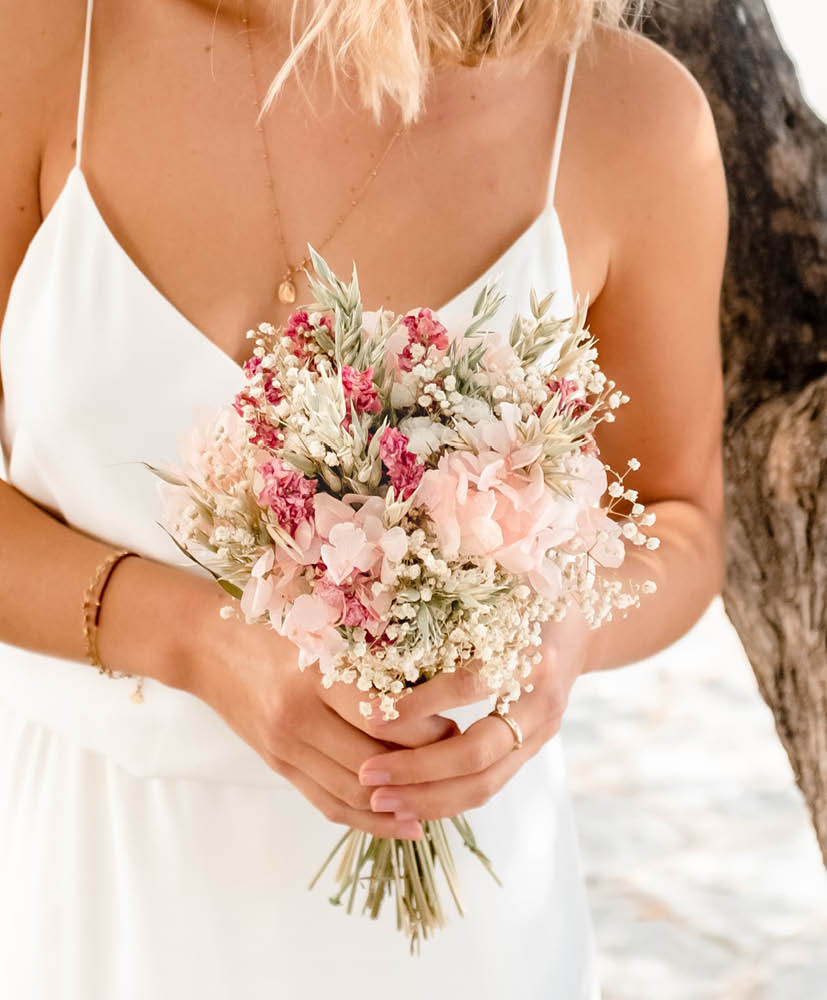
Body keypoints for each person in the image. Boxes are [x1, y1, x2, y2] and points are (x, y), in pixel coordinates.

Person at [0, 0, 727, 996]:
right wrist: (193, 639)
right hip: (86, 885)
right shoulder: (44, 44)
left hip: (459, 939)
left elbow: (680, 518)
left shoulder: (626, 118)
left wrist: (556, 640)